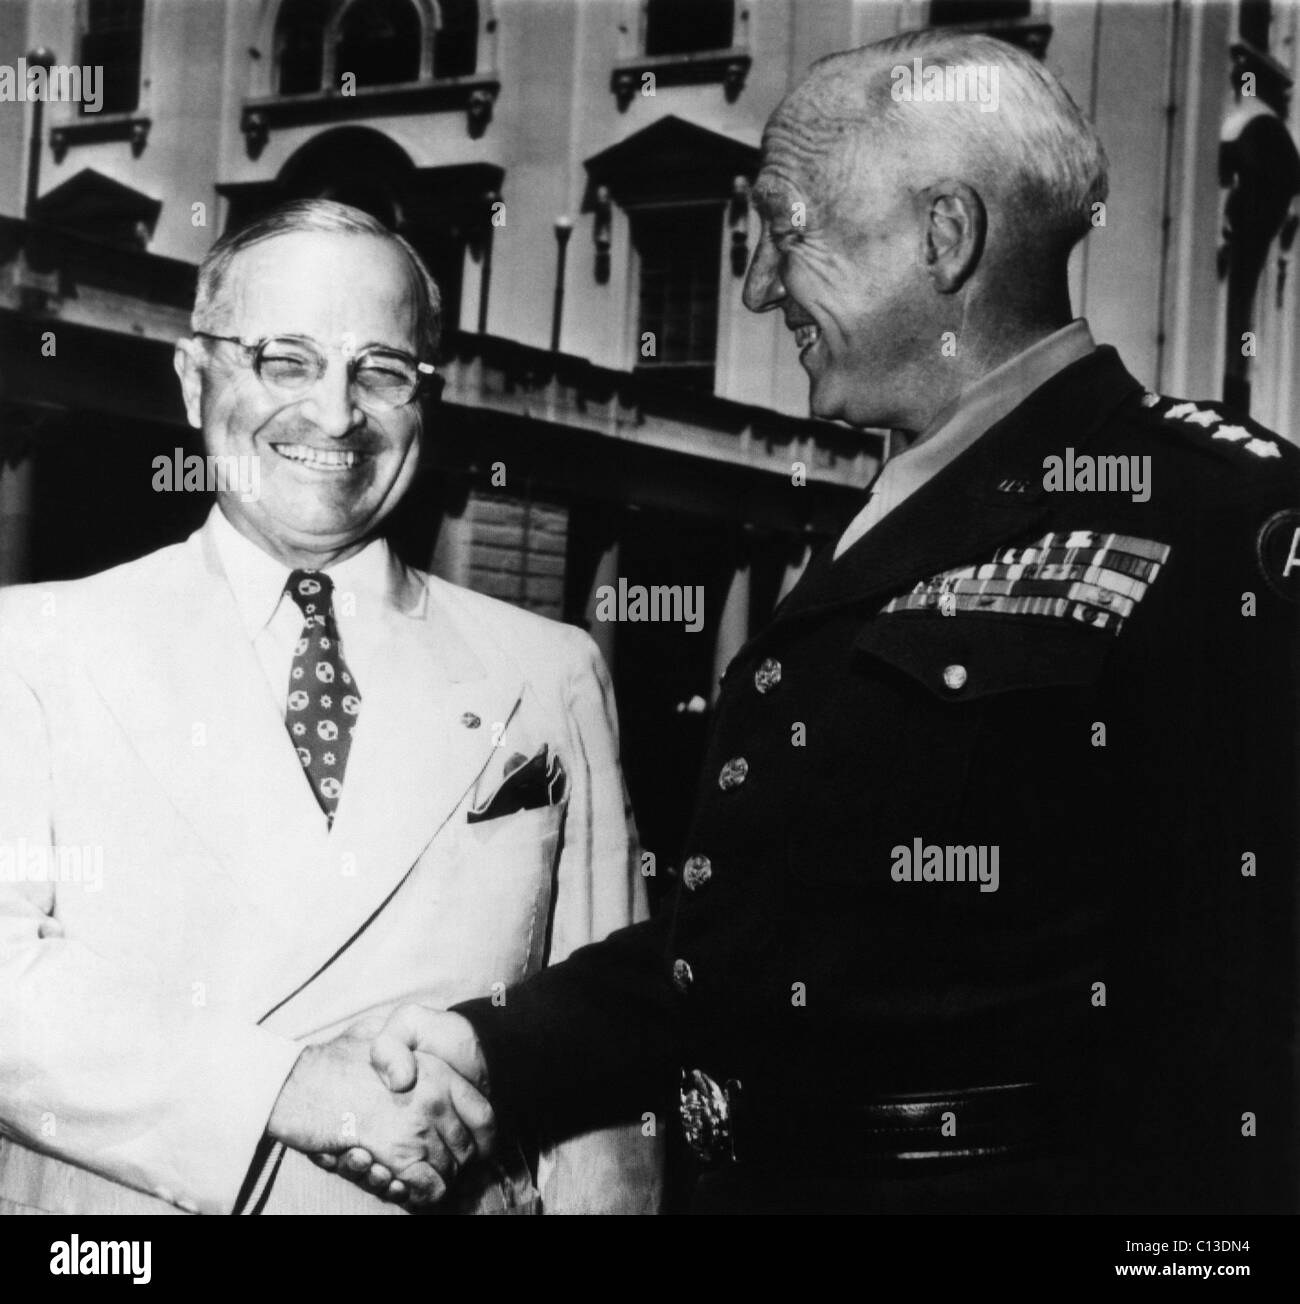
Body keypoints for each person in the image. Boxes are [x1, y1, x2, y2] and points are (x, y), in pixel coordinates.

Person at [351, 32, 1300, 1214]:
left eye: (786, 232)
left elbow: (1258, 1022)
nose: (757, 287)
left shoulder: (1224, 519)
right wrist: (494, 1041)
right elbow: (766, 934)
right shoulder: (889, 506)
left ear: (944, 235)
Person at [0, 199, 660, 1215]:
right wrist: (286, 1089)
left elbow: (607, 1045)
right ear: (193, 379)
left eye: (381, 371)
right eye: (286, 360)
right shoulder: (34, 646)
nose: (337, 415)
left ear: (425, 400)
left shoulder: (551, 668)